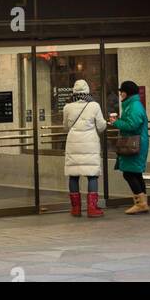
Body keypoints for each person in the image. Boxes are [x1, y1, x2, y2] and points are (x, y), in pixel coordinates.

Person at [63, 77, 107, 217]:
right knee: (92, 175)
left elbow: (65, 127)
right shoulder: (94, 106)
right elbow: (101, 126)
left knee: (73, 175)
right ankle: (92, 208)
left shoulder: (67, 107)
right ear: (87, 91)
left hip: (73, 143)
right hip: (90, 143)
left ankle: (75, 209)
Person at [109, 79, 150, 214]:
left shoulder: (134, 106)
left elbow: (132, 125)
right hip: (136, 143)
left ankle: (140, 204)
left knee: (129, 173)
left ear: (126, 93)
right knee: (136, 173)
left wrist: (116, 123)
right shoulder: (132, 105)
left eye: (121, 92)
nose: (120, 95)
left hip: (134, 144)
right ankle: (143, 203)